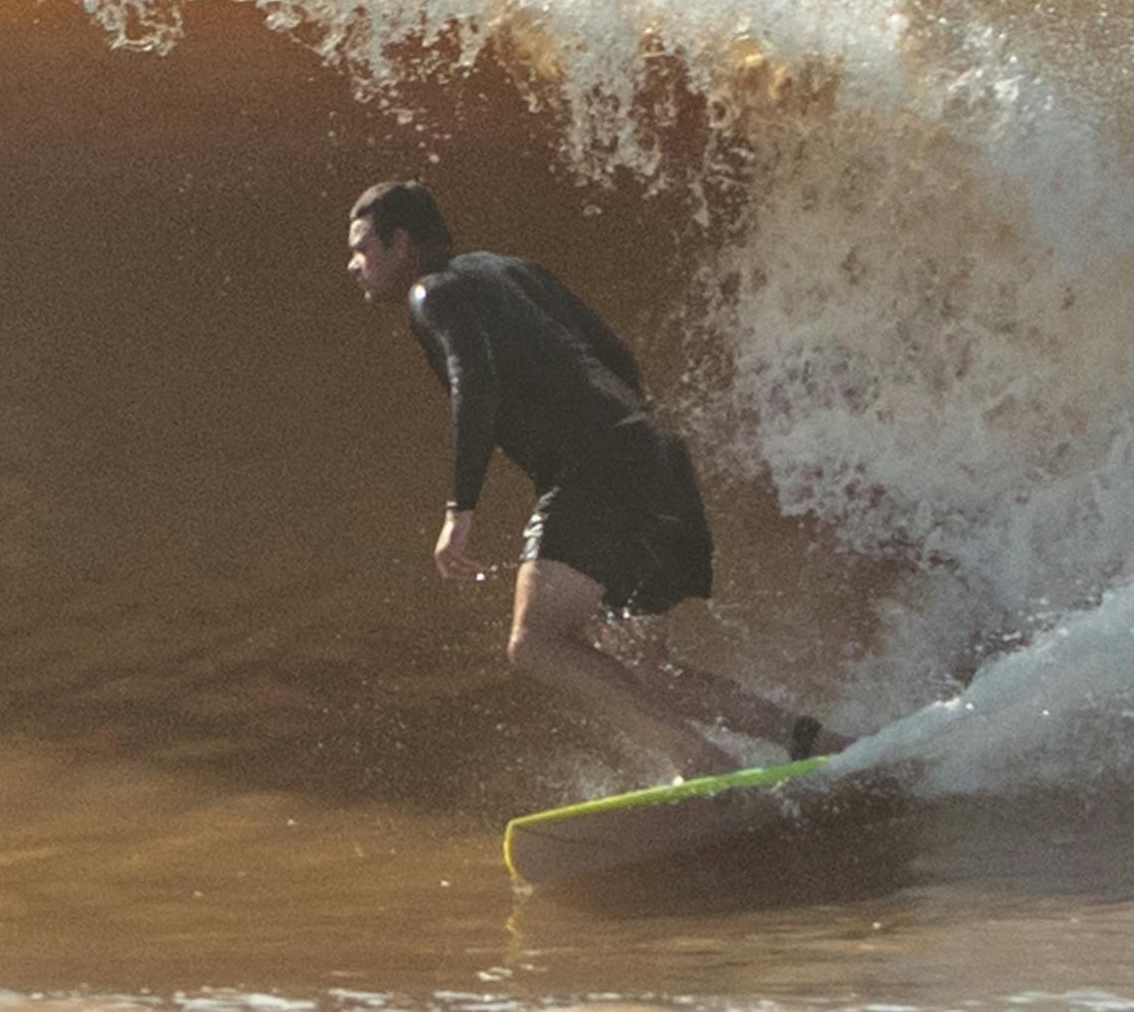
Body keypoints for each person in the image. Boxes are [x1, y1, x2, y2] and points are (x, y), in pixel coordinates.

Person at [341, 180, 823, 771]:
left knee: (535, 642)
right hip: (653, 455)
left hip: (597, 470)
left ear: (403, 243)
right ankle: (808, 739)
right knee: (645, 666)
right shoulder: (511, 270)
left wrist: (458, 512)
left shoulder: (431, 295)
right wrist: (636, 440)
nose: (353, 265)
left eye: (363, 249)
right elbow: (616, 355)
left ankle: (699, 760)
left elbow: (476, 383)